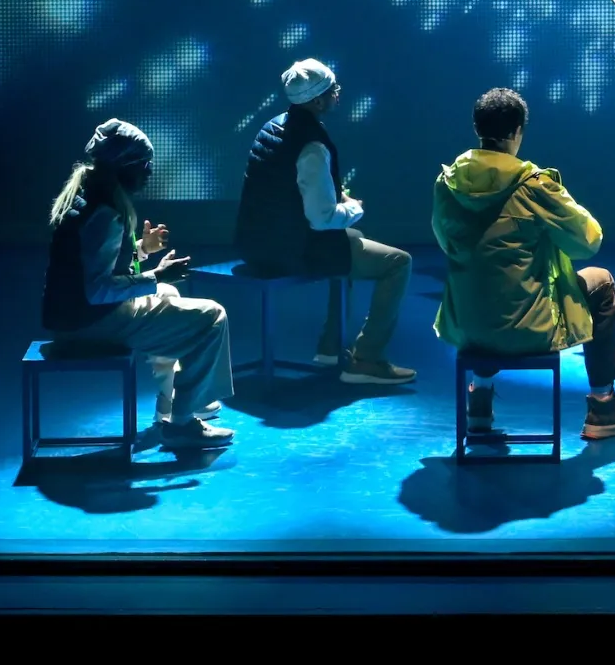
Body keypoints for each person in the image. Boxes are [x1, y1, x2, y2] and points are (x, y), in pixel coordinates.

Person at [431, 87, 615, 441]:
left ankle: (480, 398)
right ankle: (603, 404)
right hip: (528, 329)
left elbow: (445, 241)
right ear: (517, 132)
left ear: (476, 128)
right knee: (601, 281)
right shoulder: (534, 186)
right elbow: (590, 239)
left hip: (465, 326)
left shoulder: (447, 184)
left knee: (486, 285)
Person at [40, 118, 236, 449]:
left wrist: (142, 250)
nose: (149, 172)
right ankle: (183, 424)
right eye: (144, 164)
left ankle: (173, 403)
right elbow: (98, 289)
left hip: (76, 317)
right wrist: (155, 275)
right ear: (124, 166)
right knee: (212, 317)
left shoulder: (88, 194)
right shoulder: (105, 213)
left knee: (169, 294)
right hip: (89, 324)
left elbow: (96, 267)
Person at [234, 58, 416, 386]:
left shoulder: (272, 127)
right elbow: (321, 219)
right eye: (333, 90)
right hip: (292, 251)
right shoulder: (313, 145)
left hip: (255, 245)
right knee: (398, 263)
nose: (337, 93)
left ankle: (330, 347)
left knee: (350, 237)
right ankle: (366, 359)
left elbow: (286, 191)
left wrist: (336, 201)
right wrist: (353, 207)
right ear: (317, 101)